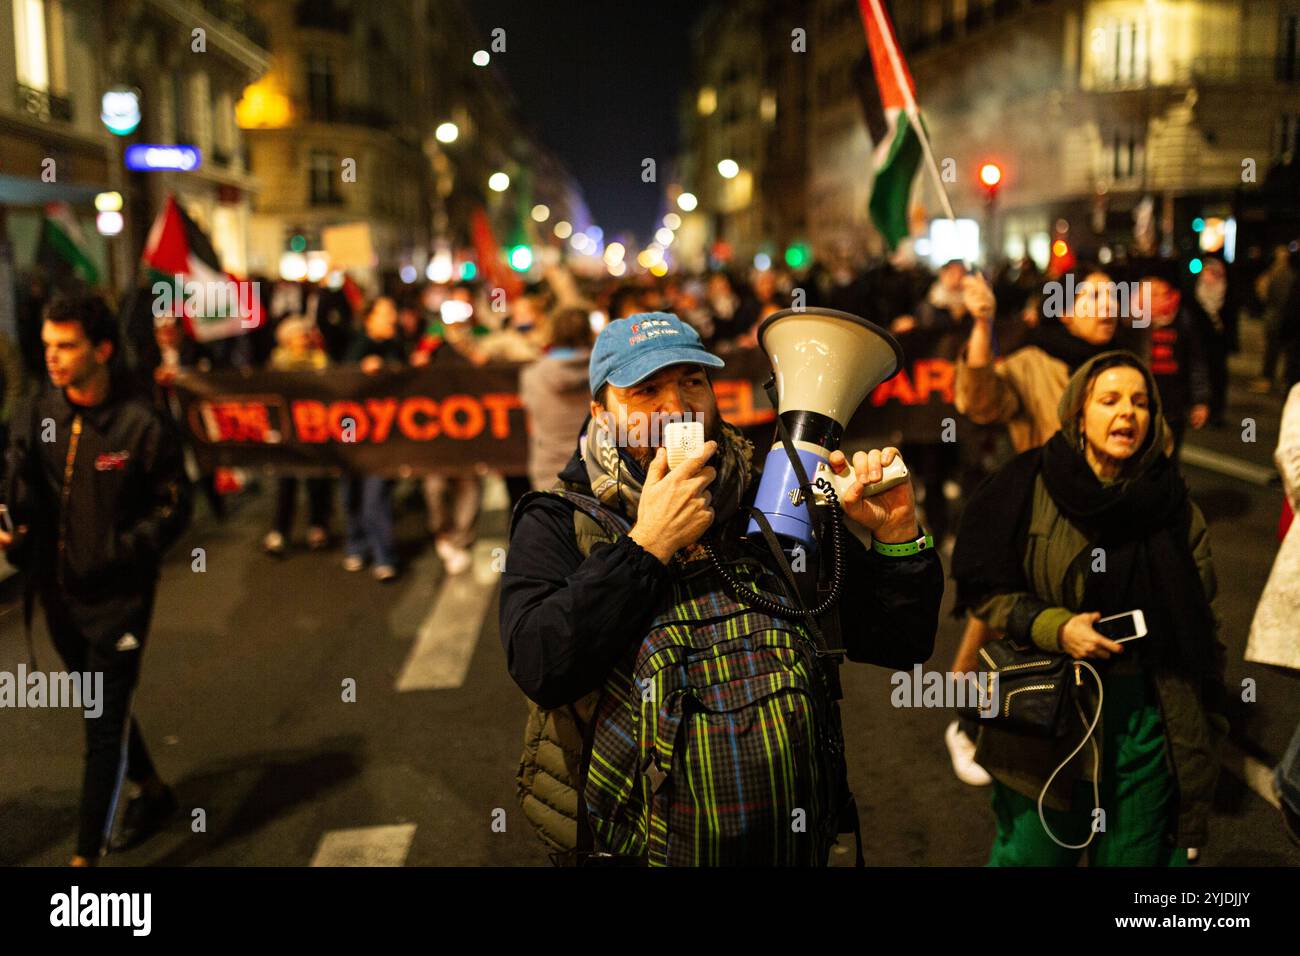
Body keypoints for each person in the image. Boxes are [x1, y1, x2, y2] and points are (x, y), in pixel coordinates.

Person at [501, 311, 943, 866]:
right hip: (637, 845)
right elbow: (539, 663)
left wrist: (899, 536)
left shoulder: (774, 499)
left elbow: (900, 640)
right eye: (646, 390)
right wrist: (645, 548)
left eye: (692, 382)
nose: (676, 406)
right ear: (601, 412)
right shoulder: (558, 521)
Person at [951, 352, 1227, 865]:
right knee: (1031, 857)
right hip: (1048, 715)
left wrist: (1207, 730)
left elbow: (1203, 627)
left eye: (1141, 403)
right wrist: (1056, 627)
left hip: (1143, 719)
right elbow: (987, 591)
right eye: (1111, 400)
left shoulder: (1173, 504)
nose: (1128, 413)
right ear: (1079, 413)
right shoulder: (1027, 484)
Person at [0, 294, 192, 865]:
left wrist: (122, 550)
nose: (52, 358)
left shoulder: (141, 425)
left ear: (102, 349)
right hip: (57, 595)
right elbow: (21, 490)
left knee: (101, 730)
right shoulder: (39, 415)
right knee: (99, 703)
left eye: (66, 346)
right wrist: (15, 529)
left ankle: (85, 865)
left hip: (120, 599)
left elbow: (174, 508)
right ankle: (153, 792)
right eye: (47, 346)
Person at [342, 298, 405, 581]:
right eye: (386, 313)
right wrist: (359, 368)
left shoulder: (398, 345)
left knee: (375, 496)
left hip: (385, 439)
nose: (393, 318)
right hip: (354, 439)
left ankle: (383, 555)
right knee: (352, 495)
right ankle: (356, 545)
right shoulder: (356, 346)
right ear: (369, 319)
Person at [263, 316, 332, 555]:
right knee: (285, 481)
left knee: (316, 480)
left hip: (313, 430)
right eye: (299, 335)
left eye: (305, 334)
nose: (304, 339)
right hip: (287, 432)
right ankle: (280, 530)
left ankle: (318, 525)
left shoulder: (320, 361)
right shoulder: (276, 364)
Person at [519, 306, 593, 491]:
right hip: (598, 472)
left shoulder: (532, 375)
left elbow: (531, 426)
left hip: (548, 474)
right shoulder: (607, 373)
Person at [1184, 256, 1239, 426]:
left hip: (1218, 345)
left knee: (1218, 378)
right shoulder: (1194, 292)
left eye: (1213, 272)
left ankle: (1216, 412)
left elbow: (1232, 321)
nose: (1209, 276)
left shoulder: (1228, 293)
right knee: (1199, 376)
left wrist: (1231, 342)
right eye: (1206, 272)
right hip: (1198, 342)